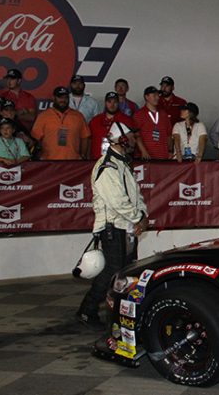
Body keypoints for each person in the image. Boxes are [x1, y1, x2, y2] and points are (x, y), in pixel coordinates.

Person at [76, 122, 148, 330]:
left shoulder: (122, 163)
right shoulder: (108, 166)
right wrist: (138, 218)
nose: (135, 140)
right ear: (122, 139)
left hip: (124, 226)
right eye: (131, 136)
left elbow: (135, 195)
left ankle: (120, 311)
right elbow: (117, 202)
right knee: (112, 270)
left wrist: (142, 216)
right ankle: (86, 311)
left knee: (127, 269)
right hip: (112, 227)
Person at [31, 87, 91, 160]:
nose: (63, 100)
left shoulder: (78, 116)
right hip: (49, 162)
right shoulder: (43, 116)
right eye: (60, 97)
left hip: (73, 161)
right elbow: (35, 138)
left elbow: (85, 137)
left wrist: (83, 155)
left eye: (65, 97)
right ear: (53, 98)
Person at [88, 92, 136, 160]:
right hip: (96, 160)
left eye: (115, 102)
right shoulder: (95, 120)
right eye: (109, 102)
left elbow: (133, 141)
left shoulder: (127, 120)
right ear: (105, 103)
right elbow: (89, 140)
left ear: (118, 103)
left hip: (119, 160)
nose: (112, 105)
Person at [132, 86, 172, 160]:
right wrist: (143, 151)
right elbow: (136, 135)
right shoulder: (139, 114)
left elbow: (169, 134)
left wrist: (170, 151)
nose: (157, 98)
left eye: (158, 95)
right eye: (154, 95)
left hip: (163, 156)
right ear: (146, 97)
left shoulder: (163, 114)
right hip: (146, 157)